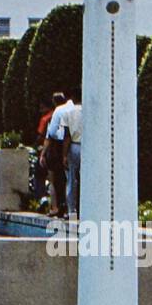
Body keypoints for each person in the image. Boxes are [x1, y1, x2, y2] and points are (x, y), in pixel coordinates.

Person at [41, 91, 68, 217]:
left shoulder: (54, 115)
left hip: (55, 150)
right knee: (68, 180)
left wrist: (43, 153)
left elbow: (49, 135)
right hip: (68, 148)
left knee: (52, 180)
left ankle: (55, 207)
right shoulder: (71, 112)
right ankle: (68, 208)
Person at [59, 87, 83, 219]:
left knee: (71, 179)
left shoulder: (68, 113)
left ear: (73, 97)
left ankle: (71, 210)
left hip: (73, 146)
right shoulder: (89, 111)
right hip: (88, 147)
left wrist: (64, 155)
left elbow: (66, 136)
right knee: (87, 179)